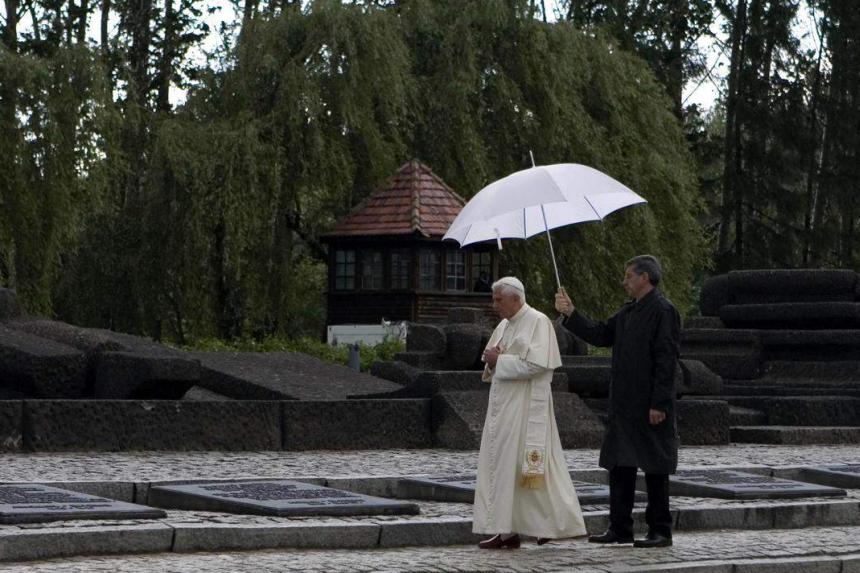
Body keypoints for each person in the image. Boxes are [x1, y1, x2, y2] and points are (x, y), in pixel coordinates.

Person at [554, 255, 680, 548]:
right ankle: (619, 527)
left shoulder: (663, 311)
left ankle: (660, 529)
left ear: (645, 277)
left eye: (628, 276)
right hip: (624, 404)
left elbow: (666, 360)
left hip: (650, 404)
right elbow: (600, 334)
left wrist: (660, 403)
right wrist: (571, 312)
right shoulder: (627, 313)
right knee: (620, 465)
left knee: (655, 467)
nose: (624, 282)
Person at [473, 276, 587, 549]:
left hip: (526, 407)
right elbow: (491, 366)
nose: (494, 305)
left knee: (530, 469)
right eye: (494, 299)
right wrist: (492, 362)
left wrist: (500, 361)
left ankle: (545, 525)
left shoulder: (538, 321)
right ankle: (506, 530)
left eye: (498, 300)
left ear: (516, 297)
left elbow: (539, 366)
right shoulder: (503, 325)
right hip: (502, 408)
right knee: (502, 468)